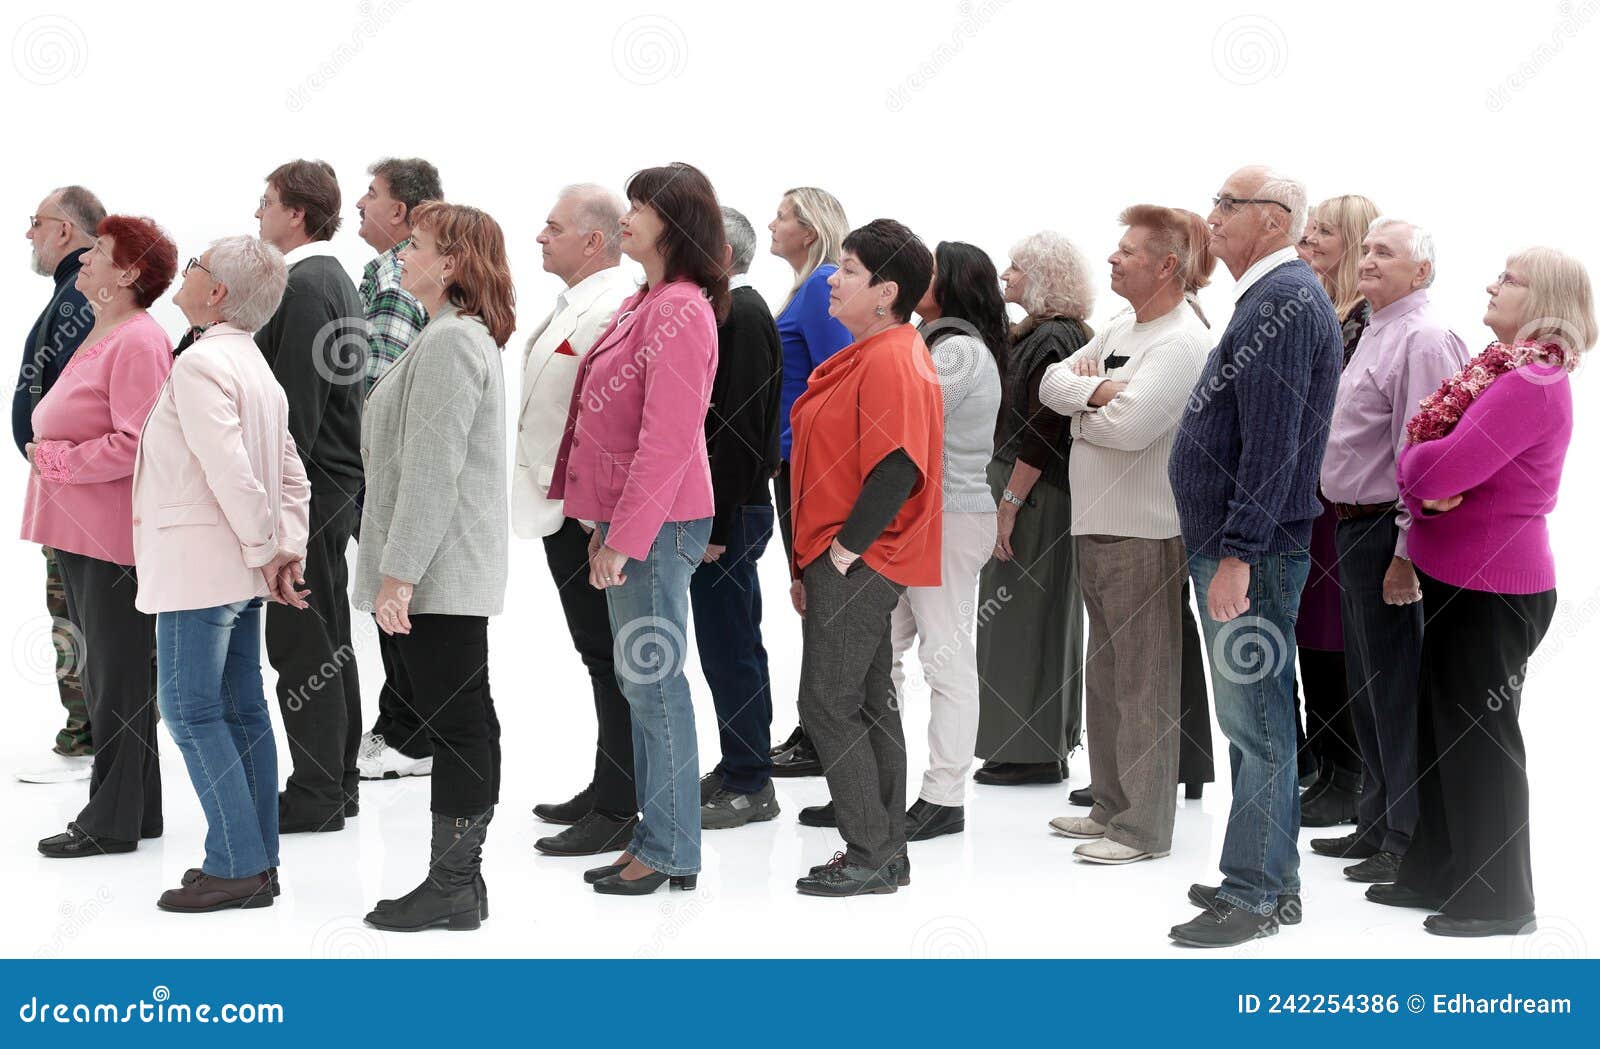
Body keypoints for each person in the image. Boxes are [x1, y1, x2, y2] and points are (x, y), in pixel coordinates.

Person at [1369, 247, 1592, 937]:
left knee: (1479, 740)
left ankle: (1500, 900)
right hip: (1462, 580)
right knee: (1442, 730)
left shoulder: (1531, 380)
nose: (1493, 284)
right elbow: (1428, 459)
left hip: (1494, 587)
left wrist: (1419, 474)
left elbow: (1435, 467)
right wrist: (1424, 472)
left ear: (1545, 298)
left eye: (1509, 279)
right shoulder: (1501, 370)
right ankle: (1438, 867)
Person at [1167, 166, 1340, 947]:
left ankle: (1256, 890)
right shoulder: (1276, 297)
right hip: (1245, 548)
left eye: (1227, 205)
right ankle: (1271, 878)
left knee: (1259, 723)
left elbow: (1272, 448)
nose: (1213, 217)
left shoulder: (1284, 301)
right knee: (1252, 720)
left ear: (1273, 220)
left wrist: (1237, 553)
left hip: (1253, 554)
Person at [550, 162, 725, 896]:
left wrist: (624, 535)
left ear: (673, 223)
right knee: (641, 681)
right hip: (638, 523)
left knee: (654, 687)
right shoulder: (649, 300)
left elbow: (668, 437)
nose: (628, 216)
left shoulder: (680, 308)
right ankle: (655, 837)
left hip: (660, 524)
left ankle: (673, 848)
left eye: (642, 206)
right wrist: (607, 525)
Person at [135, 236, 310, 912]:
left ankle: (236, 863)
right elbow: (291, 475)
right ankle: (255, 860)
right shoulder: (255, 366)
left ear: (218, 295)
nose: (186, 273)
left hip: (202, 570)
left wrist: (270, 548)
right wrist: (280, 548)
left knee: (190, 709)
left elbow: (230, 469)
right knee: (240, 708)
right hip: (239, 569)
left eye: (196, 267)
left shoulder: (203, 363)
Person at [1039, 206, 1215, 864]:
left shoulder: (1181, 342)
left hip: (1145, 533)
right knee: (1108, 675)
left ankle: (1142, 828)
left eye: (1128, 251)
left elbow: (1130, 428)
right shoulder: (1118, 326)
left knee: (1144, 682)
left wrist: (1085, 410)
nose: (1112, 259)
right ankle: (1111, 805)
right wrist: (1100, 397)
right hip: (1098, 526)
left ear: (1167, 266)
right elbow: (1049, 381)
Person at [358, 202, 514, 932]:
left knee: (457, 727)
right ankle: (459, 882)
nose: (401, 255)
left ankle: (454, 883)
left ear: (450, 264)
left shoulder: (452, 342)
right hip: (438, 572)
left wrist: (400, 574)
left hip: (439, 575)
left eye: (413, 245)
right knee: (465, 721)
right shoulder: (445, 336)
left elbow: (431, 469)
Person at [790, 218, 942, 896]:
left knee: (825, 701)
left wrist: (844, 552)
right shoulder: (872, 351)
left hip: (858, 556)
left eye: (848, 268)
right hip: (844, 553)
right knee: (870, 700)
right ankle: (886, 848)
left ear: (886, 291)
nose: (833, 278)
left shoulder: (891, 357)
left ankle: (869, 851)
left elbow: (897, 468)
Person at [1317, 217, 1468, 884]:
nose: (1369, 260)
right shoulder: (1376, 327)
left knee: (1396, 685)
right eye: (1369, 249)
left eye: (1387, 253)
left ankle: (1405, 835)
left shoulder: (1425, 338)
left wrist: (1407, 548)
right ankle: (1375, 819)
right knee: (1368, 683)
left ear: (1423, 272)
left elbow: (1424, 454)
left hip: (1387, 530)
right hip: (1353, 525)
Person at [25, 214, 176, 857]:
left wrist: (57, 461)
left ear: (127, 275)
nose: (84, 260)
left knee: (114, 680)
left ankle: (109, 822)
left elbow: (139, 442)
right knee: (112, 679)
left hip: (109, 536)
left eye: (99, 254)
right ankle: (136, 812)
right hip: (83, 531)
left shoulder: (139, 340)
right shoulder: (105, 331)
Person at [518, 185, 643, 858]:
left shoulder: (611, 305)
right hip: (560, 505)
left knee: (612, 655)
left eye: (553, 227)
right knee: (600, 655)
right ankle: (608, 785)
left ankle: (622, 804)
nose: (540, 236)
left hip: (585, 511)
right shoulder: (576, 303)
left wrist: (601, 520)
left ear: (594, 241)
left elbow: (610, 421)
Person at [254, 159, 367, 833]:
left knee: (301, 644)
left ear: (296, 212)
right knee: (326, 642)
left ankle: (319, 792)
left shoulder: (302, 287)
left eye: (266, 203)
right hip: (332, 488)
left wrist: (272, 516)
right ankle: (340, 782)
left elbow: (291, 414)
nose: (259, 215)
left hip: (310, 495)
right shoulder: (335, 279)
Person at [890, 241, 1003, 841]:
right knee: (883, 652)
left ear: (954, 284)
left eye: (929, 274)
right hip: (921, 520)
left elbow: (911, 411)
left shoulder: (957, 348)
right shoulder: (931, 340)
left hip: (949, 518)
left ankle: (944, 797)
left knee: (945, 658)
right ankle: (880, 781)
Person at [972, 231, 1092, 787]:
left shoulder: (1053, 338)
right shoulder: (1041, 335)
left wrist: (1011, 502)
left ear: (1043, 277)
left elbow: (1043, 431)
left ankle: (1032, 750)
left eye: (1017, 266)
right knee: (1021, 616)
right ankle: (1036, 743)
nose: (1006, 274)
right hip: (1030, 488)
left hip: (1035, 492)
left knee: (1025, 617)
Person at [354, 157, 444, 783]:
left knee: (399, 594)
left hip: (385, 467)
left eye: (372, 194)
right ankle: (409, 723)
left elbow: (376, 387)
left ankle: (409, 732)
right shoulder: (389, 272)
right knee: (403, 593)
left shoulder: (393, 278)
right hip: (397, 468)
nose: (360, 202)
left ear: (402, 214)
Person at [692, 207, 784, 830]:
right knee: (728, 643)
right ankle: (738, 764)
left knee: (731, 648)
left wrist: (717, 528)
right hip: (730, 509)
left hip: (734, 513)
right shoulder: (728, 313)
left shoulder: (743, 315)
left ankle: (751, 779)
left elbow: (745, 432)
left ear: (722, 252)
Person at [1294, 193, 1381, 827]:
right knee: (1314, 629)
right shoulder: (1327, 310)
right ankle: (1325, 763)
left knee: (1332, 632)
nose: (1310, 239)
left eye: (1324, 231)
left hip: (1341, 498)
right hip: (1317, 495)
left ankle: (1345, 772)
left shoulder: (1360, 321)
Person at [15, 185, 104, 785]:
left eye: (37, 222)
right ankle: (88, 734)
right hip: (68, 489)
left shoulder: (80, 298)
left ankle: (93, 737)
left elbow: (83, 406)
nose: (29, 234)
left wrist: (52, 458)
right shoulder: (72, 294)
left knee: (79, 613)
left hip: (78, 497)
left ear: (66, 231)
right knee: (76, 612)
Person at [767, 187, 853, 779]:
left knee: (819, 596)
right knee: (809, 596)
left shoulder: (823, 284)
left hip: (810, 466)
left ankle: (820, 734)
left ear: (810, 228)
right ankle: (814, 727)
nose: (772, 224)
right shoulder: (804, 289)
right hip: (793, 463)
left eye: (783, 216)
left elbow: (838, 378)